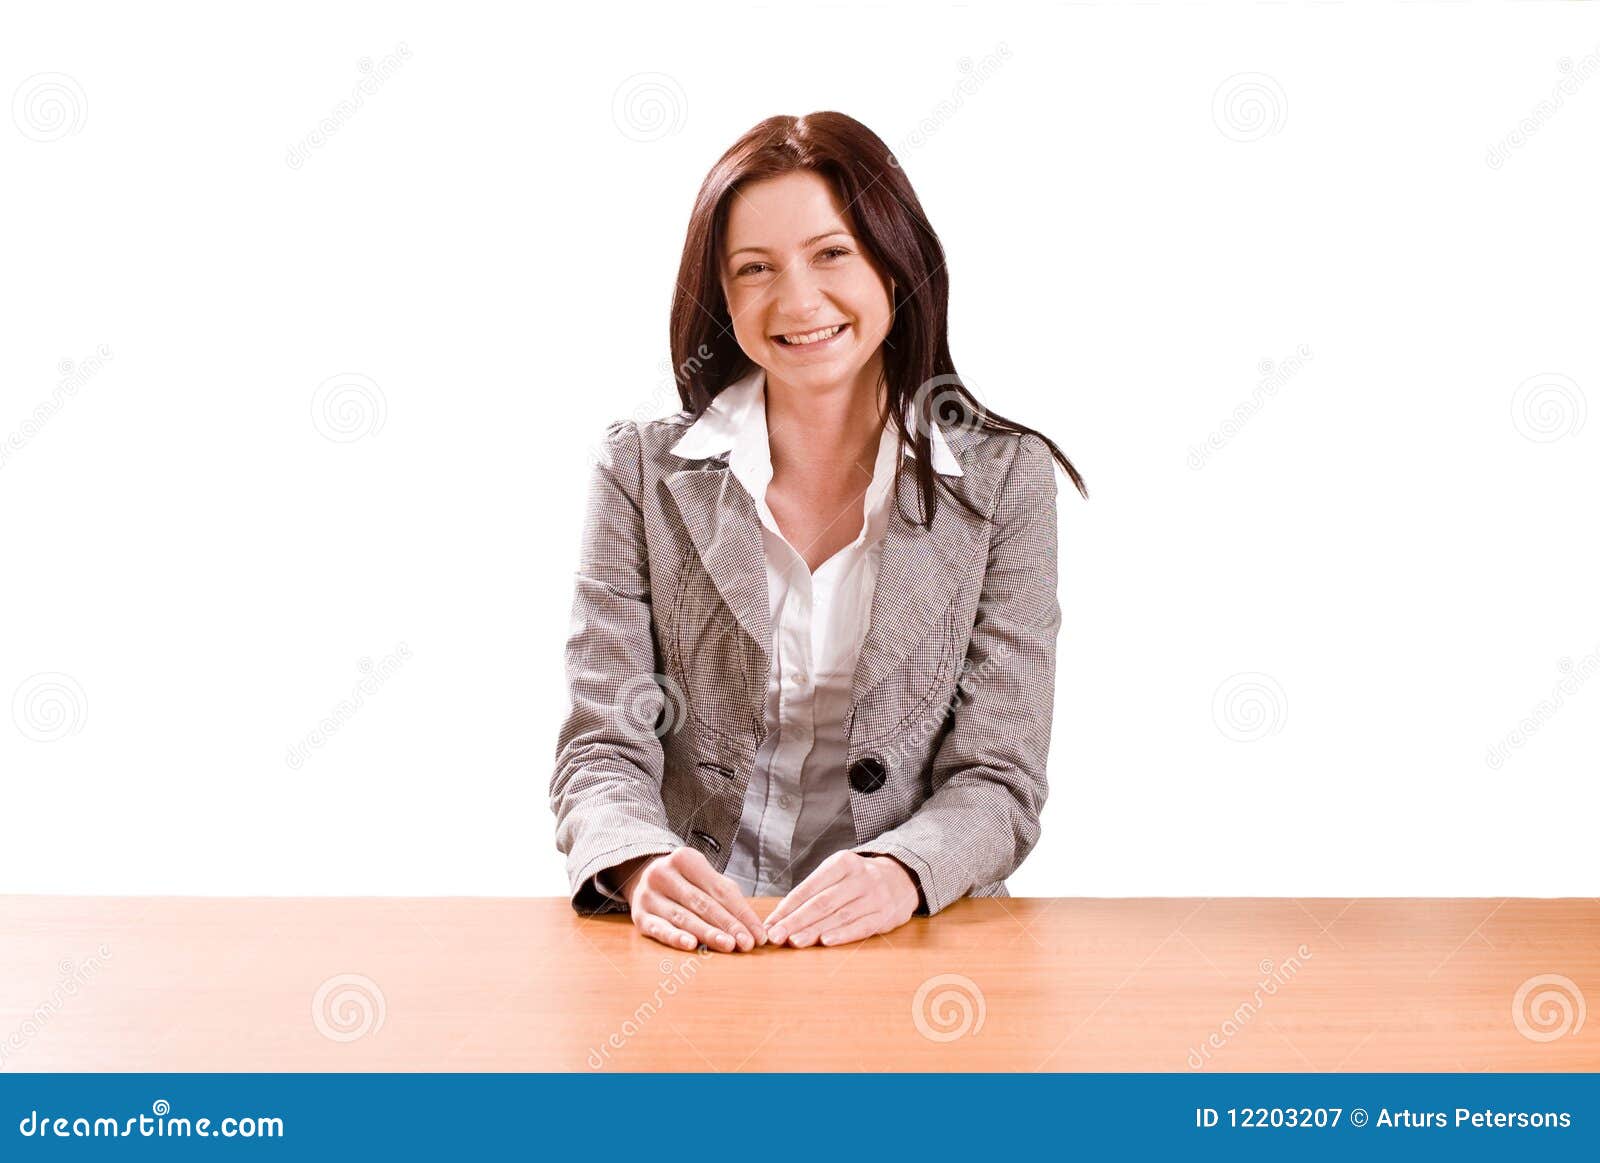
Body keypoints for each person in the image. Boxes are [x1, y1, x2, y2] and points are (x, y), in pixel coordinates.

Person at [551, 111, 1087, 953]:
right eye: (754, 267)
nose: (798, 301)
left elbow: (999, 775)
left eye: (832, 253)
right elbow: (601, 745)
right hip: (698, 943)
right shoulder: (639, 471)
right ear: (721, 295)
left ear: (893, 260)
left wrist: (901, 870)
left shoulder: (1004, 480)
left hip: (910, 938)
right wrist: (641, 863)